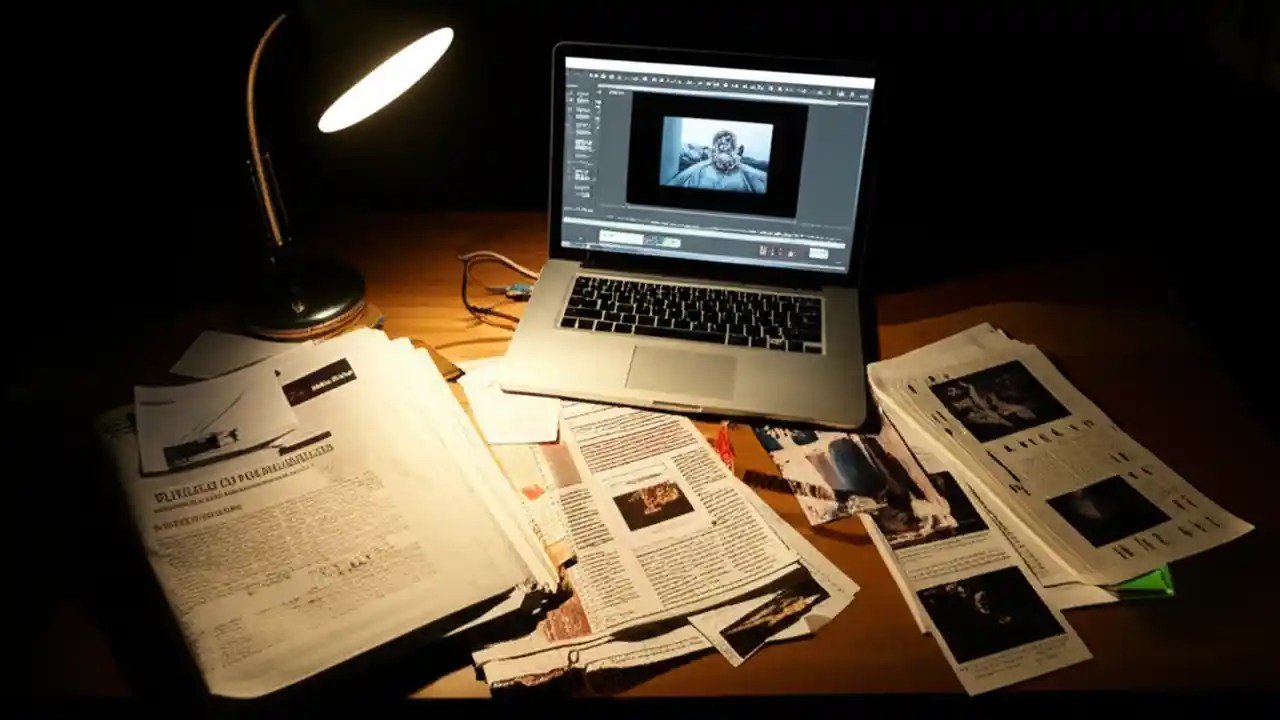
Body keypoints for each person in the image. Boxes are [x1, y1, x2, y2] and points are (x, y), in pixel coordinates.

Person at [666, 129, 767, 193]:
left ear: (733, 148)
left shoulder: (745, 172)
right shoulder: (700, 170)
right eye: (721, 144)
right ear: (715, 147)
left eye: (728, 144)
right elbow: (678, 182)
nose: (724, 147)